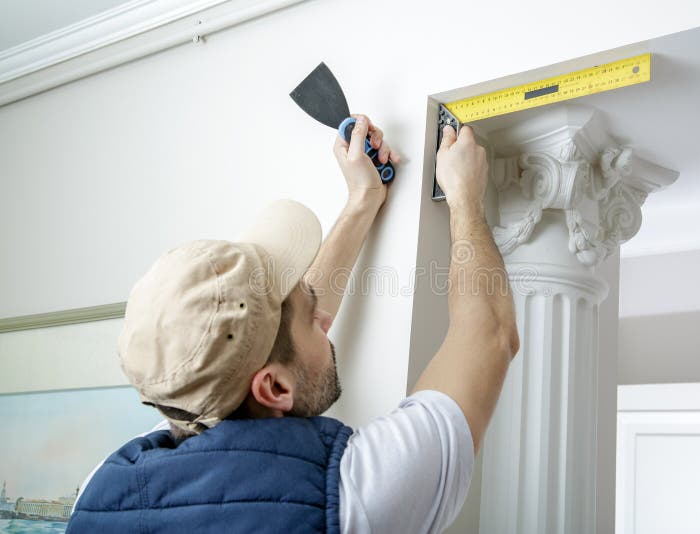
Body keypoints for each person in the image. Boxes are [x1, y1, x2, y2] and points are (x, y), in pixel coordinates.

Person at [66, 115, 519, 533]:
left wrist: (363, 200)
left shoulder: (101, 491)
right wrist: (465, 196)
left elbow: (274, 331)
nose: (326, 319)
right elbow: (487, 335)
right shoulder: (356, 498)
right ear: (273, 388)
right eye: (313, 321)